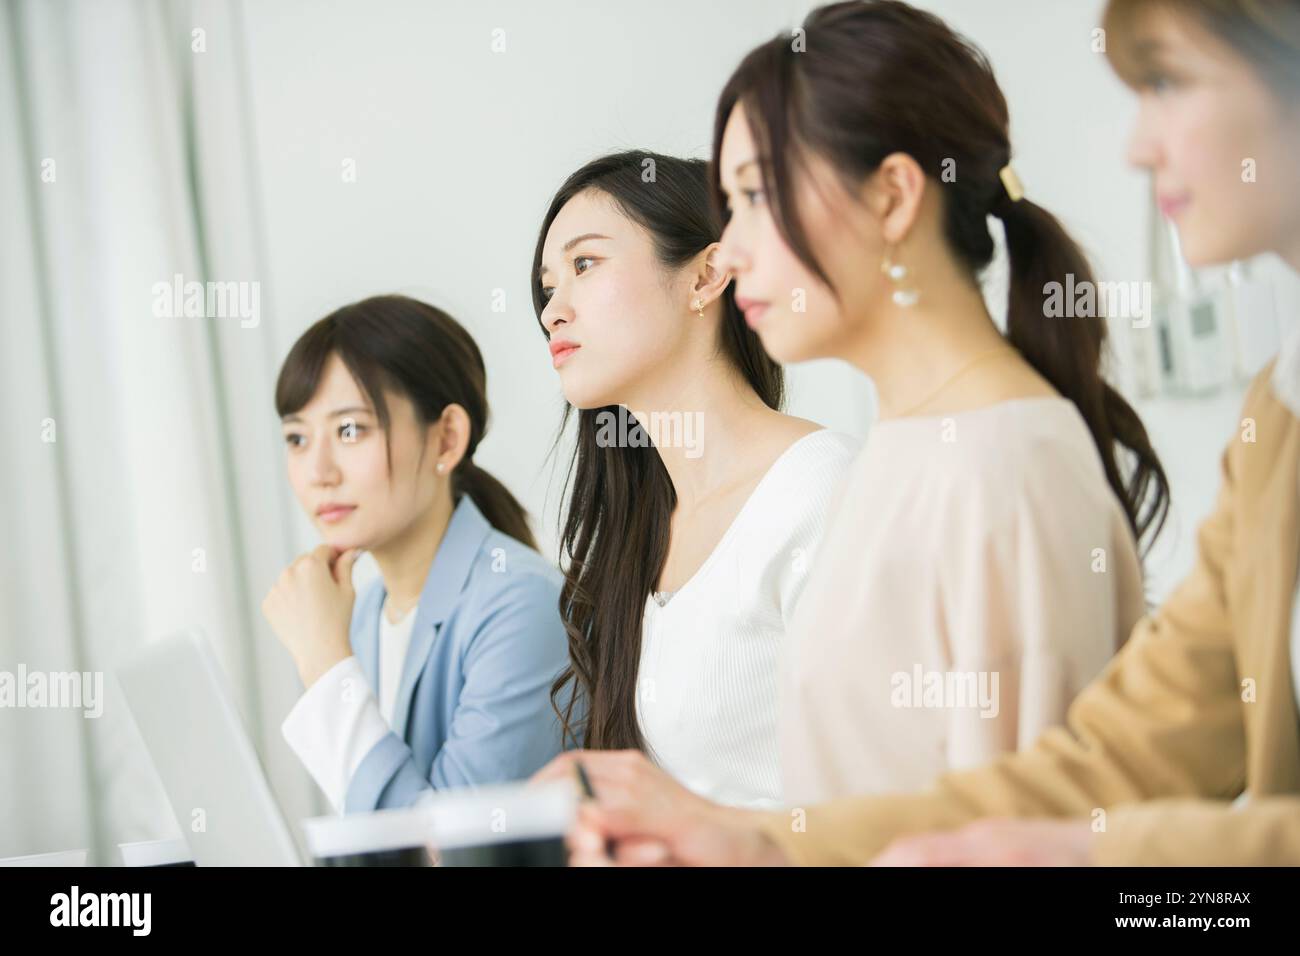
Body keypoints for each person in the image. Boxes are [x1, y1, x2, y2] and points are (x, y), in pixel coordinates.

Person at [546, 0, 1300, 866]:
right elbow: (1073, 779)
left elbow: (1037, 823)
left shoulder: (1001, 466)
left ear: (895, 194)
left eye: (755, 196)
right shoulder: (909, 456)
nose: (735, 248)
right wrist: (748, 840)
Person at [532, 151, 858, 808]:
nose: (552, 311)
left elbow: (891, 808)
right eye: (547, 287)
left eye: (584, 265)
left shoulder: (821, 494)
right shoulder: (644, 534)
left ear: (707, 275)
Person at [263, 295, 569, 812]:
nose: (318, 472)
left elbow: (446, 853)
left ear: (446, 439)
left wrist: (323, 664)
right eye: (296, 437)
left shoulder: (522, 605)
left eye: (350, 429)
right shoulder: (361, 614)